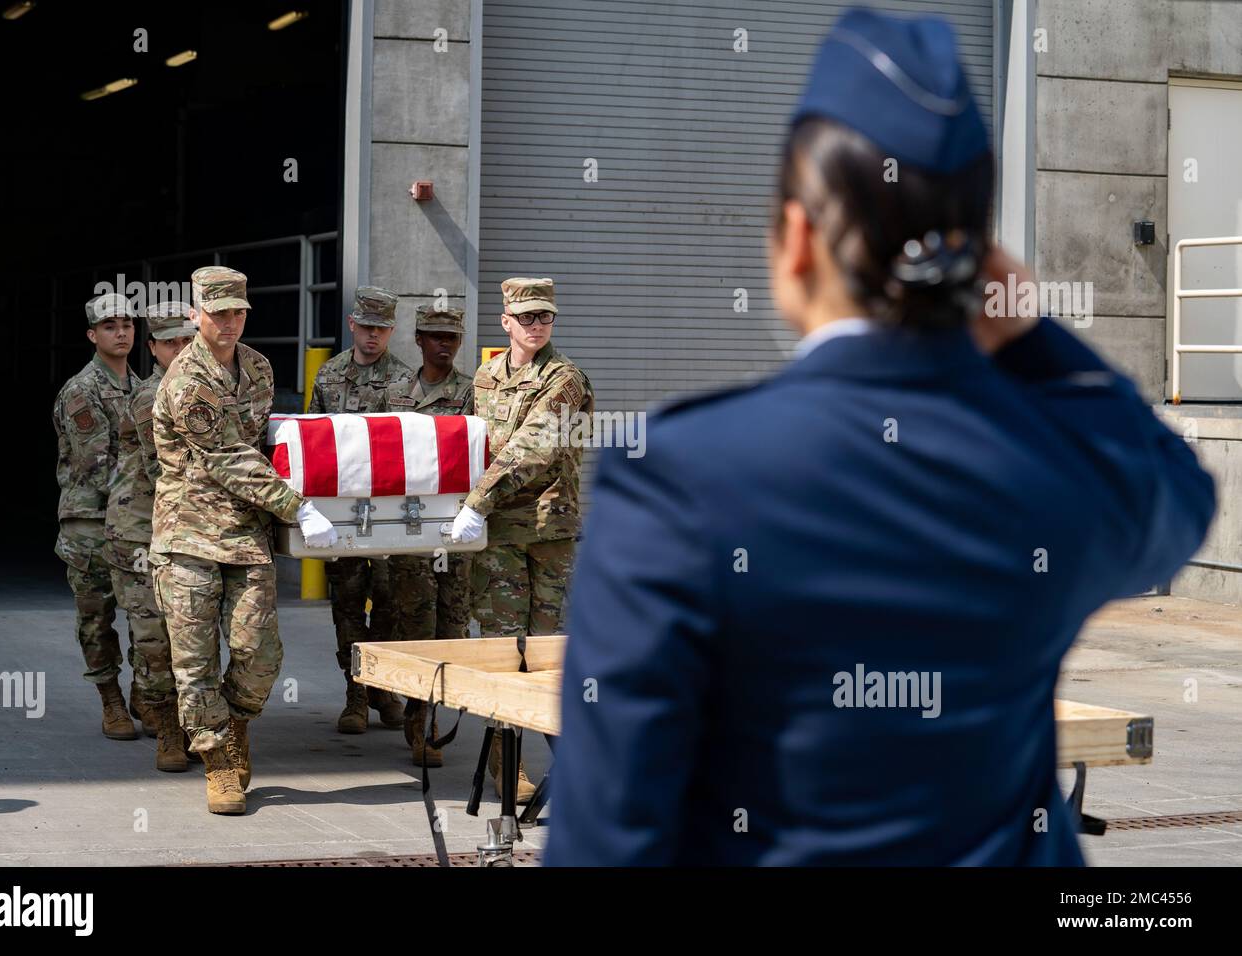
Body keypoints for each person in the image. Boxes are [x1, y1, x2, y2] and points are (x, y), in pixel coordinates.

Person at [545, 7, 1216, 865]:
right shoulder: (1054, 468)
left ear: (796, 240)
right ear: (980, 261)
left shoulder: (679, 476)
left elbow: (608, 837)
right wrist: (1029, 326)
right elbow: (1178, 492)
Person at [150, 266, 337, 815]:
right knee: (195, 660)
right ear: (196, 314)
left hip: (245, 536)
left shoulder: (257, 367)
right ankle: (217, 760)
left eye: (238, 312)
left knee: (260, 655)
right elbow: (229, 457)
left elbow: (267, 440)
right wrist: (299, 507)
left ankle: (233, 724)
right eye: (218, 313)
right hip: (188, 536)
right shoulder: (186, 380)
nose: (229, 323)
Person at [450, 277, 593, 800]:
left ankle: (573, 763)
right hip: (497, 535)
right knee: (502, 650)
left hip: (546, 533)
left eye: (545, 317)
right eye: (527, 317)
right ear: (505, 321)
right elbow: (470, 442)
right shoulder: (486, 376)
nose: (537, 326)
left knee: (548, 653)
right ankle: (506, 764)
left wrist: (475, 502)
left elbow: (536, 448)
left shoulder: (564, 378)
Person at [307, 286, 414, 734]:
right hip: (344, 512)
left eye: (382, 329)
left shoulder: (407, 380)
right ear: (352, 324)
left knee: (389, 601)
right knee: (348, 604)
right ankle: (355, 694)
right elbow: (312, 439)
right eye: (366, 327)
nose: (373, 336)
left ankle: (383, 688)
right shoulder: (329, 376)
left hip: (389, 510)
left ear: (391, 330)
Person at [105, 301, 196, 771]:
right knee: (154, 638)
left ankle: (181, 719)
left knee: (190, 638)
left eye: (187, 340)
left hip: (184, 531)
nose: (180, 350)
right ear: (154, 348)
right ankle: (167, 733)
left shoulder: (207, 388)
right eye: (170, 343)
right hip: (139, 534)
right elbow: (169, 470)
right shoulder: (149, 397)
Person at [386, 304, 475, 767]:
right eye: (435, 336)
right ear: (418, 339)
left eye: (452, 337)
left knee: (453, 628)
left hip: (457, 528)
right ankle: (419, 722)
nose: (444, 344)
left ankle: (436, 710)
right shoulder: (395, 391)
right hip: (410, 528)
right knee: (416, 627)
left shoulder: (473, 392)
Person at [52, 292, 141, 740]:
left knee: (150, 615)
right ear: (92, 335)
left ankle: (147, 692)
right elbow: (97, 463)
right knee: (97, 618)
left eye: (126, 324)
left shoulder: (143, 387)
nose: (121, 332)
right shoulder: (81, 391)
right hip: (90, 525)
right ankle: (111, 700)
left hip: (137, 523)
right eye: (110, 326)